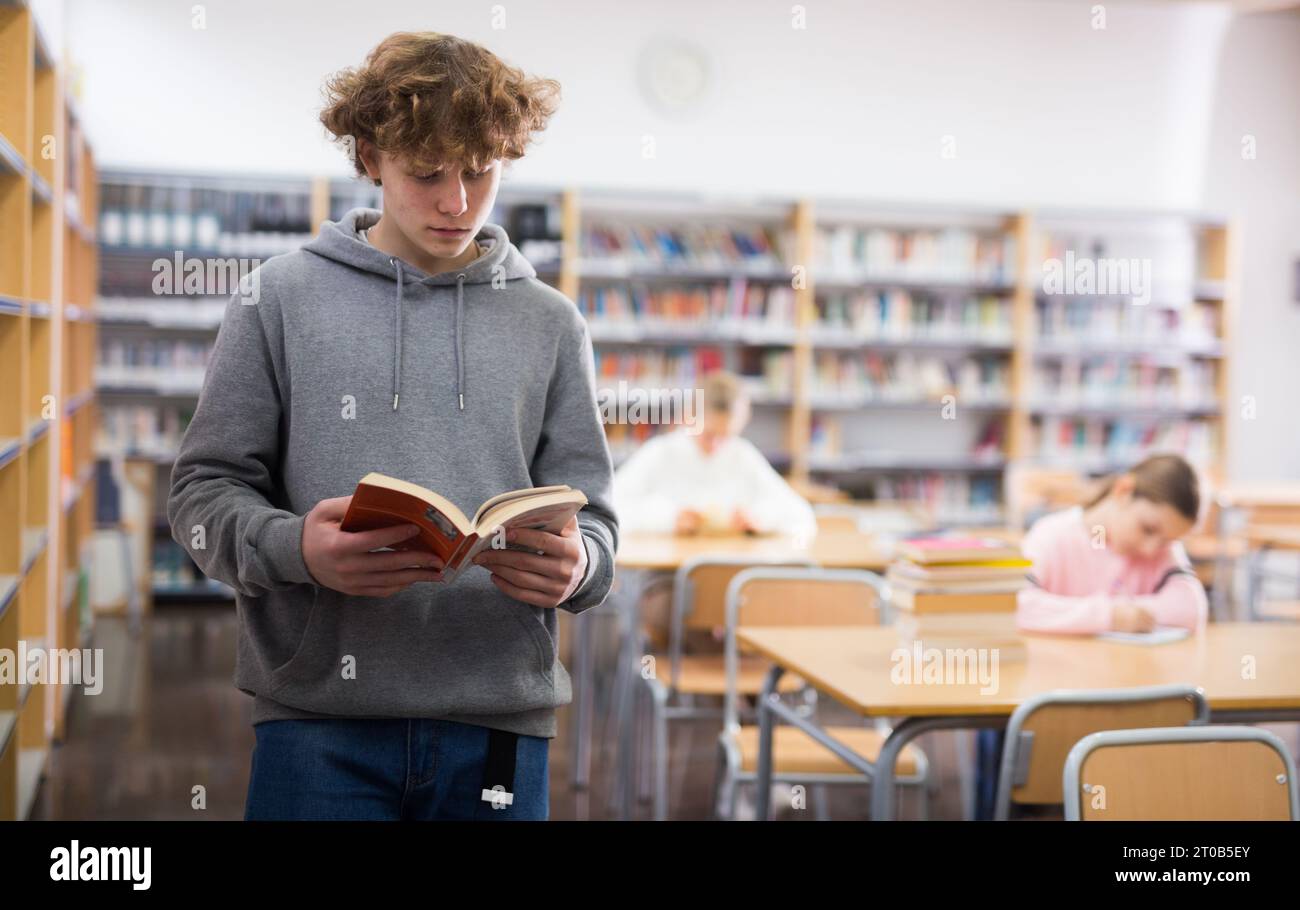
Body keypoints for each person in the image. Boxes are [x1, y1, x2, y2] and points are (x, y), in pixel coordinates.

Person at [167, 31, 617, 820]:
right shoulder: (277, 298)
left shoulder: (551, 323)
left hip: (499, 721)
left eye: (480, 171)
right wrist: (295, 547)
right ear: (371, 156)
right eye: (427, 172)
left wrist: (579, 570)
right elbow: (201, 494)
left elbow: (600, 522)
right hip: (318, 724)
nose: (457, 201)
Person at [1017, 453, 1208, 634]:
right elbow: (1013, 604)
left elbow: (1191, 609)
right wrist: (1109, 616)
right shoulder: (1051, 535)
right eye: (1148, 529)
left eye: (1167, 541)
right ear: (1123, 490)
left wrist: (1125, 614)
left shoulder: (1165, 548)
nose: (1150, 550)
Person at [612, 370, 817, 539]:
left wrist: (760, 519)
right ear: (688, 417)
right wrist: (669, 519)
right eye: (709, 435)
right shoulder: (659, 453)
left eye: (726, 435)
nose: (717, 445)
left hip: (727, 569)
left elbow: (800, 515)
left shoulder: (742, 455)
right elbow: (611, 510)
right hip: (666, 575)